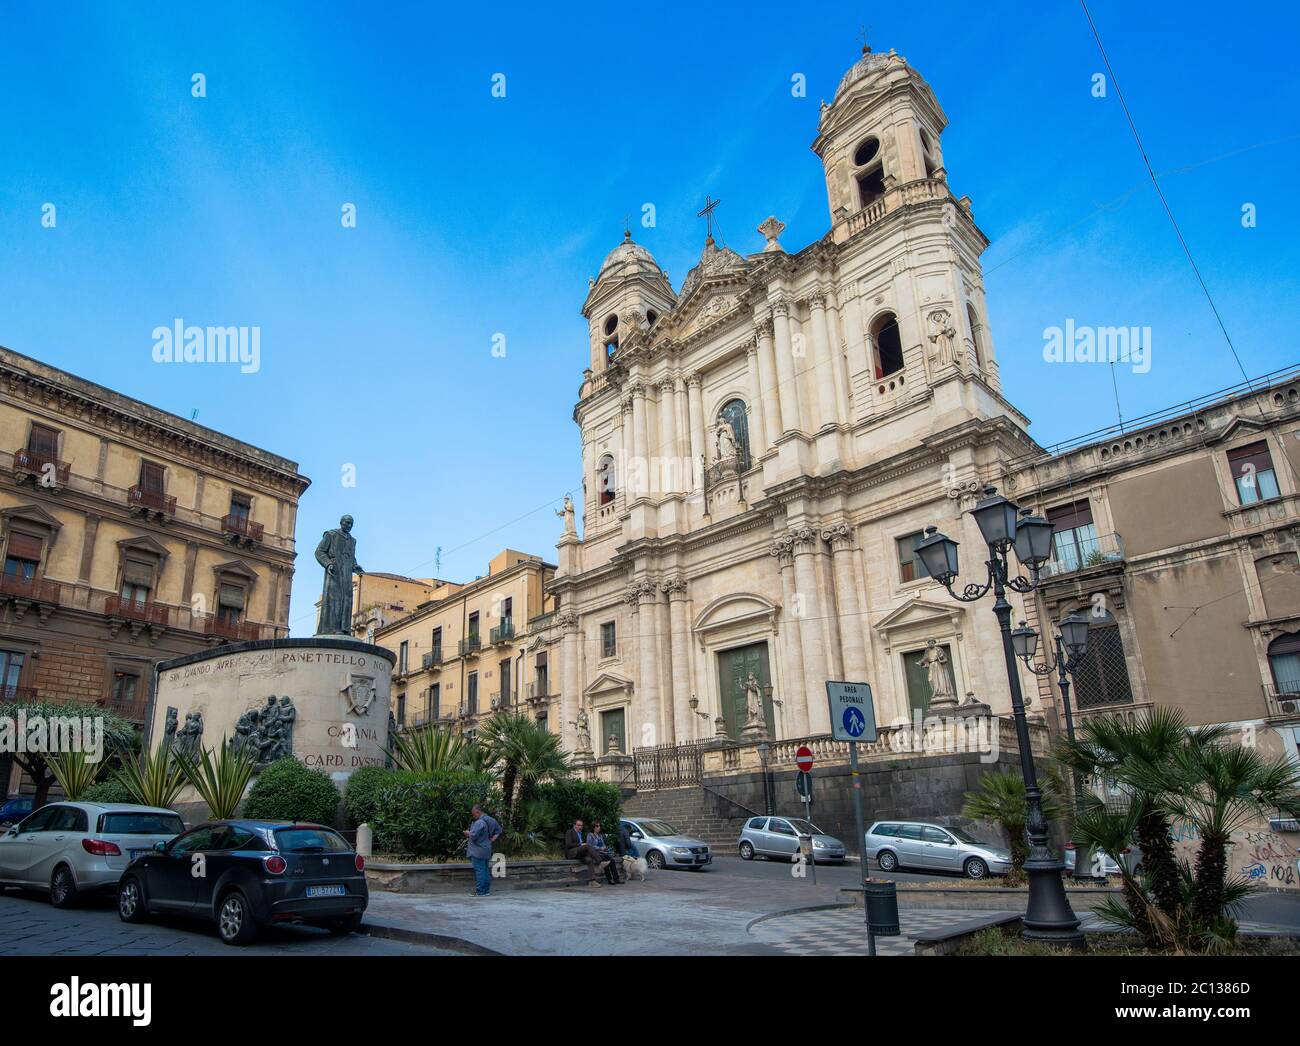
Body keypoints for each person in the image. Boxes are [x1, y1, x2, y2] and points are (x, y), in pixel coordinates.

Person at [464, 804, 502, 897]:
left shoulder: (479, 823)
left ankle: (480, 891)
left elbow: (473, 836)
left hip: (477, 850)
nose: (473, 816)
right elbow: (499, 830)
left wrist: (467, 833)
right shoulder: (492, 820)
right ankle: (486, 891)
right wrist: (492, 839)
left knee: (480, 871)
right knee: (485, 870)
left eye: (473, 814)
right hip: (487, 849)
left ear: (478, 812)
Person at [563, 818, 608, 887]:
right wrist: (580, 845)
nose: (580, 827)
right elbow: (568, 844)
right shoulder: (570, 832)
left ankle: (592, 882)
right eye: (578, 825)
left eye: (581, 825)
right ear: (574, 825)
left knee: (589, 859)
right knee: (587, 846)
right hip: (572, 853)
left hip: (580, 853)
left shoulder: (581, 833)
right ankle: (600, 861)